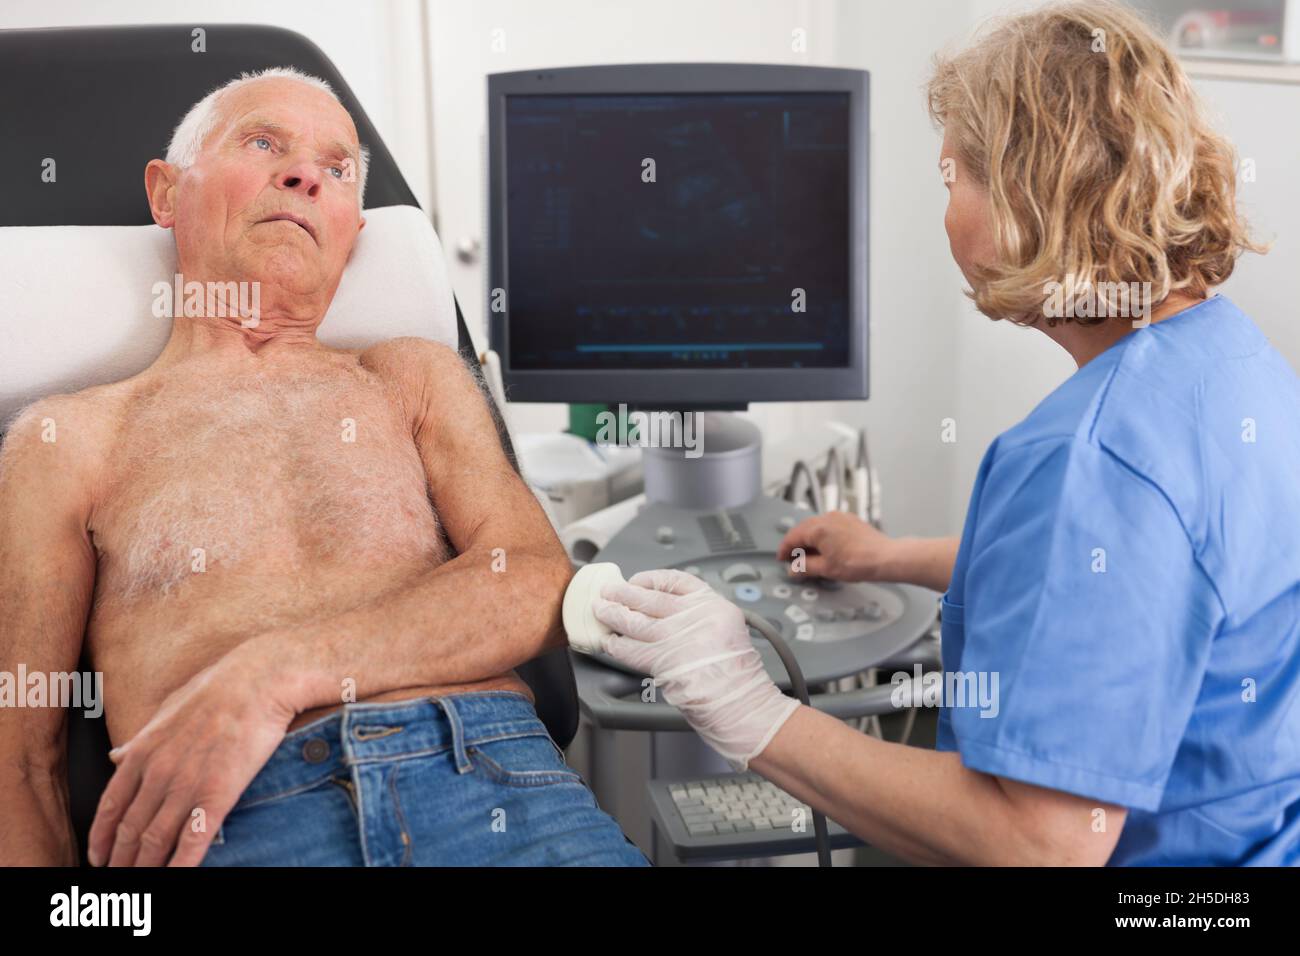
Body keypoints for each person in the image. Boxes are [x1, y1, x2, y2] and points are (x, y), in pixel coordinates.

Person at [593, 0, 1300, 865]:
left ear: (1031, 189)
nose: (944, 212)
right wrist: (891, 559)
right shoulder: (1234, 365)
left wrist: (751, 711)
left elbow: (1039, 843)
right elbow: (1133, 584)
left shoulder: (1090, 457)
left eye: (952, 177)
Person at [0, 67, 646, 867]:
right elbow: (19, 763)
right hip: (236, 822)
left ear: (352, 231)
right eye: (263, 142)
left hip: (496, 784)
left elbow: (533, 582)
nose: (305, 173)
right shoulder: (69, 438)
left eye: (336, 170)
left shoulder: (409, 377)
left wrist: (273, 674)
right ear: (166, 194)